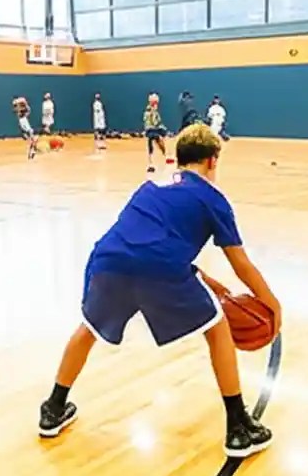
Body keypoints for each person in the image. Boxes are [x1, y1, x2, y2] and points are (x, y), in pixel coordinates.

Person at [38, 123, 282, 458]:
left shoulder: (150, 187)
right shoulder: (213, 199)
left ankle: (53, 407)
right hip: (158, 268)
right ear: (213, 161)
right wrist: (273, 304)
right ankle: (238, 425)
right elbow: (241, 264)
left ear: (179, 158)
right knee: (218, 329)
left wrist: (205, 280)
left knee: (88, 329)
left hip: (109, 260)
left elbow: (143, 244)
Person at [143, 93, 168, 173]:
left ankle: (165, 154)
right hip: (150, 130)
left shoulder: (155, 110)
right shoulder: (149, 111)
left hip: (155, 129)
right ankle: (151, 163)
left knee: (162, 137)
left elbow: (158, 121)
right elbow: (152, 122)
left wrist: (161, 127)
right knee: (152, 142)